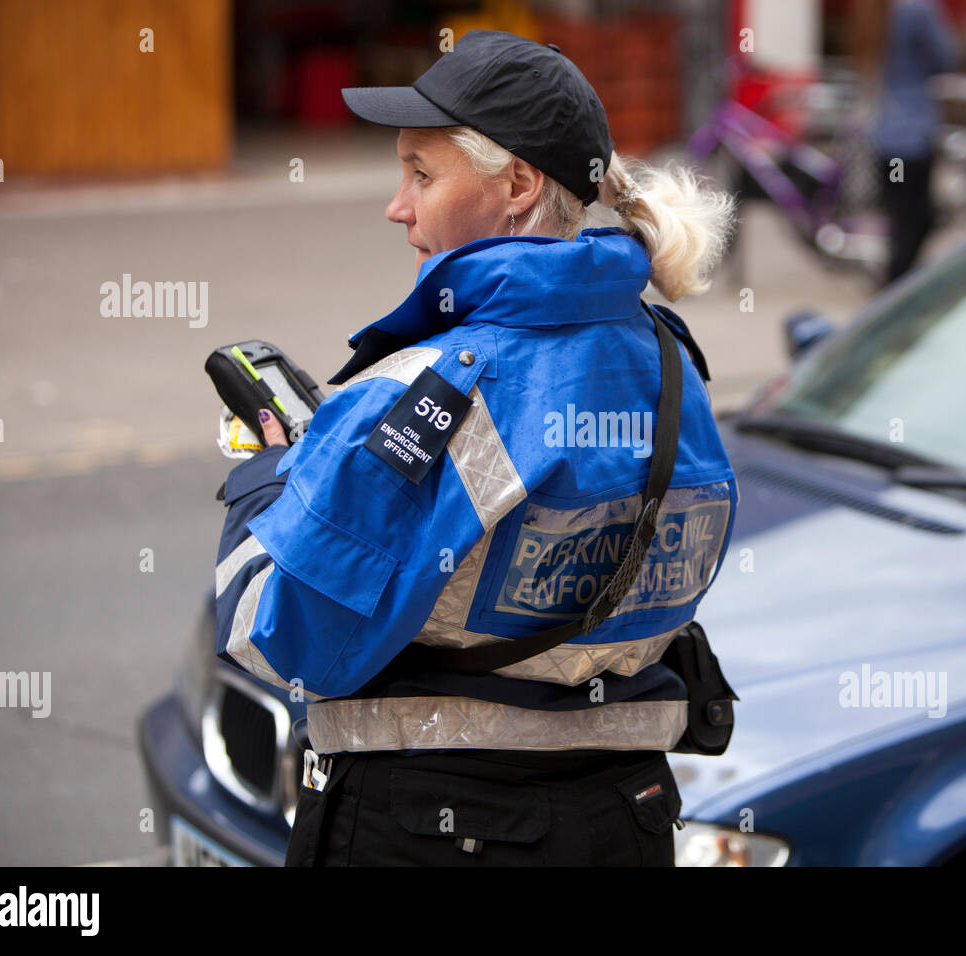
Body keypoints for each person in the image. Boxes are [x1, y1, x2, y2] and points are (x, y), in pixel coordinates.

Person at [212, 30, 739, 866]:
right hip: (626, 819)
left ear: (519, 185)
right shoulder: (673, 362)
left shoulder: (423, 387)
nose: (398, 205)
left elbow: (276, 638)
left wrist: (270, 479)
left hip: (429, 827)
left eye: (421, 173)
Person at [856, 0, 957, 283]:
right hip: (912, 135)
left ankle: (894, 283)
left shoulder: (875, 10)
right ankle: (895, 289)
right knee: (916, 221)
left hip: (885, 132)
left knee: (900, 221)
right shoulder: (918, 9)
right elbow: (945, 57)